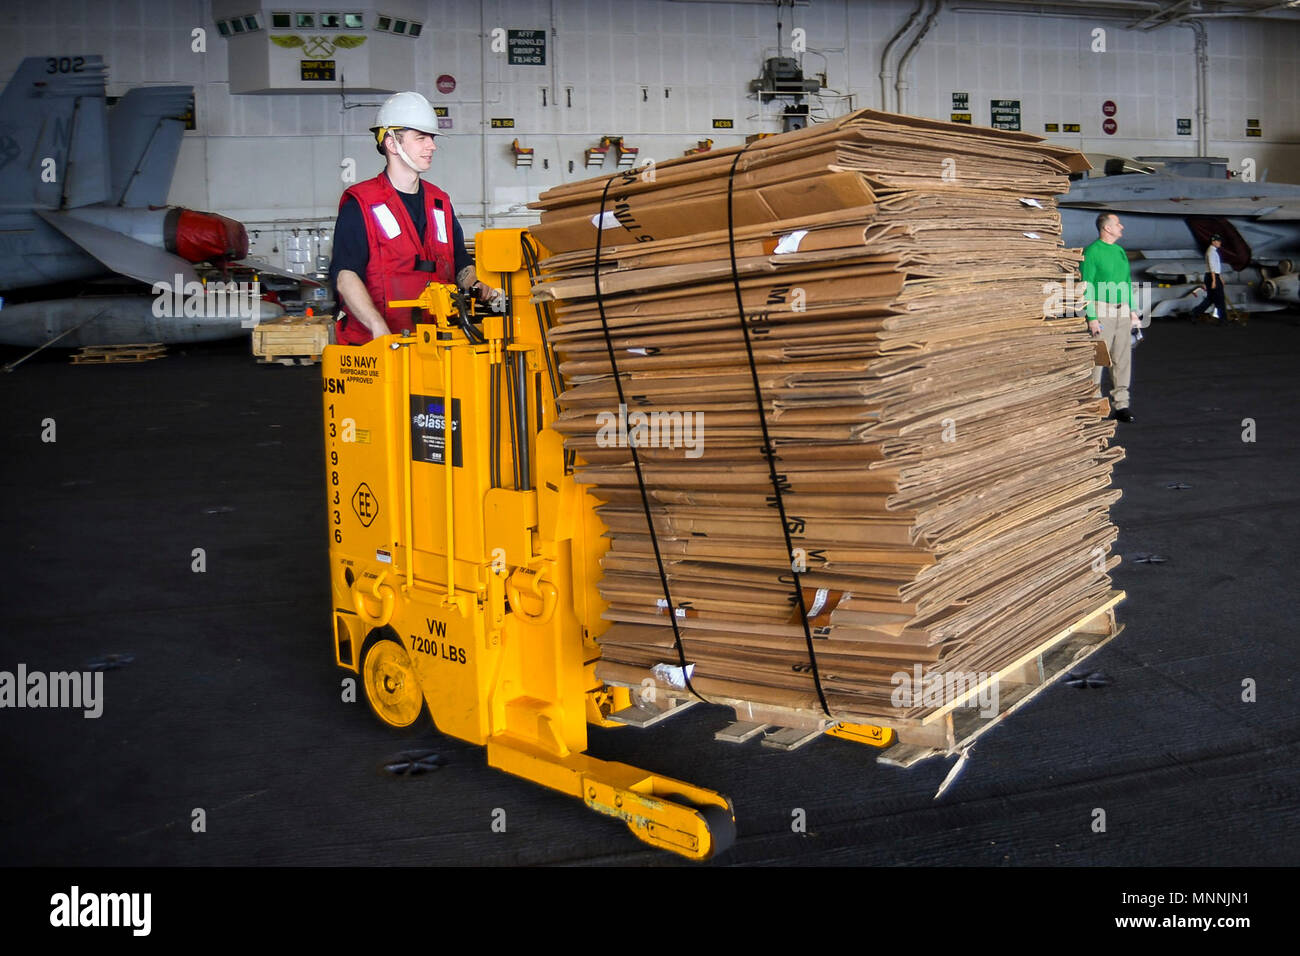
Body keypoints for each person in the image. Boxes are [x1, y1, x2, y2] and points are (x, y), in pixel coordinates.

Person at [329, 91, 497, 345]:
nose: (432, 146)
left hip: (436, 343)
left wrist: (475, 284)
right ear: (392, 143)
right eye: (421, 138)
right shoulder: (361, 204)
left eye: (431, 138)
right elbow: (345, 275)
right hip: (376, 347)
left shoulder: (439, 203)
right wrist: (378, 326)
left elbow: (459, 259)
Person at [1080, 212, 1141, 423]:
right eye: (1118, 224)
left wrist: (1132, 311)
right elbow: (1085, 287)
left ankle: (1122, 405)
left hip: (1122, 310)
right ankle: (1094, 404)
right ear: (1107, 228)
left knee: (1122, 359)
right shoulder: (1092, 252)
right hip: (1101, 309)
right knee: (1098, 359)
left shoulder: (1119, 252)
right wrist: (1092, 317)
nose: (1122, 227)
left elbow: (1125, 282)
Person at [1189, 234, 1228, 323]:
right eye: (1218, 241)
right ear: (1213, 242)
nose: (1220, 243)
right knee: (1220, 299)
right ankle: (1223, 320)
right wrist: (1214, 280)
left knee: (1211, 299)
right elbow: (1212, 267)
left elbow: (1216, 267)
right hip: (1212, 276)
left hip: (1213, 276)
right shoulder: (1211, 252)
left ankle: (1195, 312)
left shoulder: (1213, 251)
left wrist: (1220, 277)